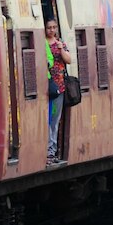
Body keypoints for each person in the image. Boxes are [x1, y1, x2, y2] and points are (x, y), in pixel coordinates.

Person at [44, 17, 72, 164]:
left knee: (54, 119)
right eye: (49, 27)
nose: (52, 30)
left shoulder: (60, 43)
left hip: (58, 87)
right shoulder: (42, 43)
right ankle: (47, 148)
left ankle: (51, 150)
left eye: (54, 27)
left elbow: (69, 60)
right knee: (46, 118)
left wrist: (61, 49)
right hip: (45, 85)